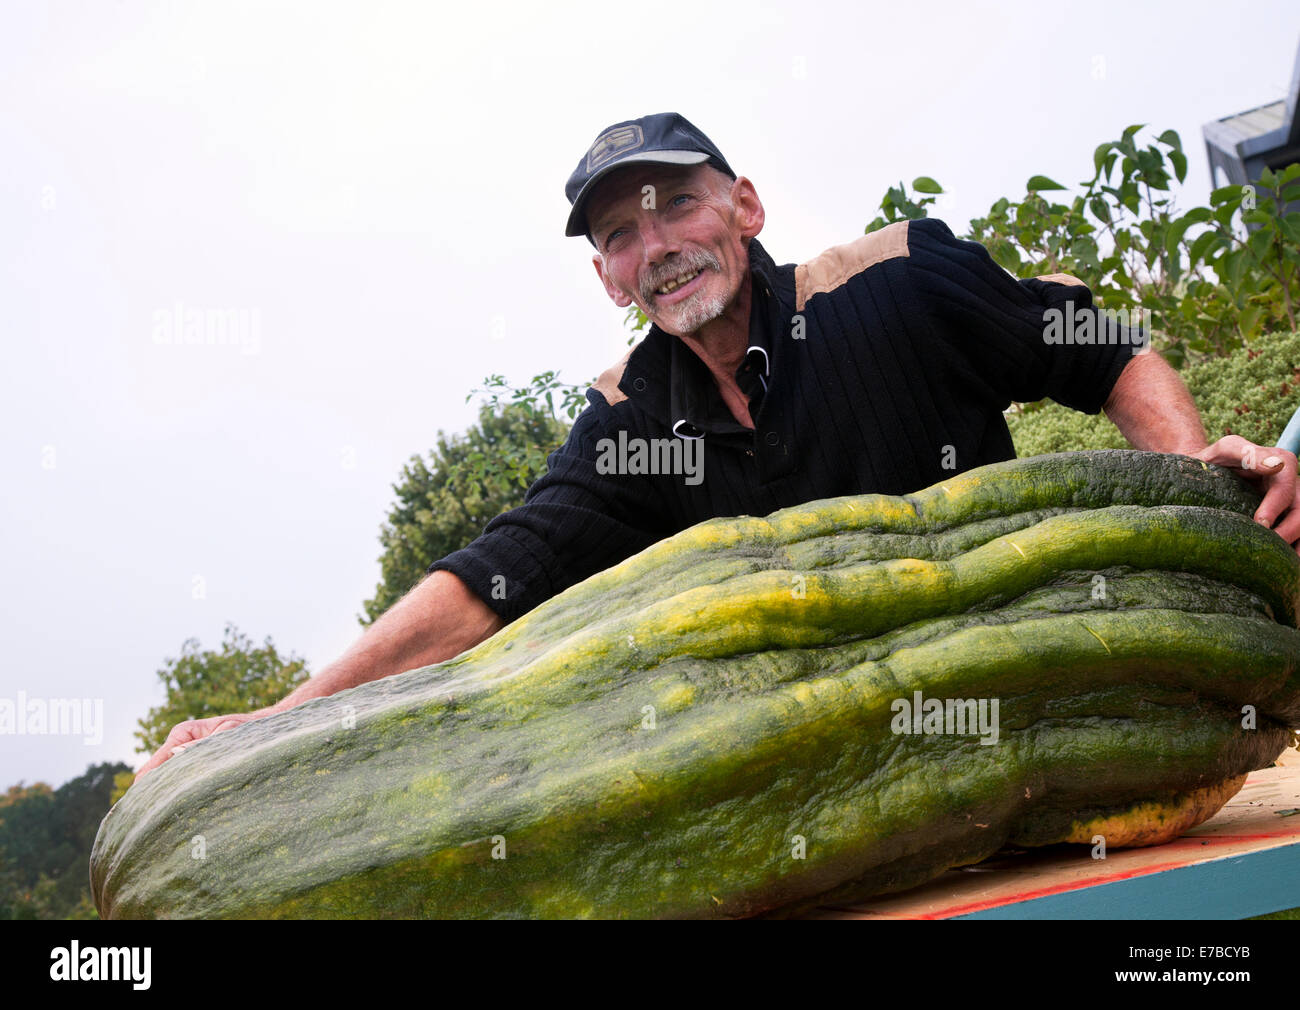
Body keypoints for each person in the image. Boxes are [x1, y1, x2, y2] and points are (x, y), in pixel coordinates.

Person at [136, 112, 1300, 780]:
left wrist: (1188, 490)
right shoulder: (628, 421)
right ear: (605, 277)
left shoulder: (897, 281)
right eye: (620, 233)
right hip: (841, 790)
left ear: (743, 204)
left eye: (678, 205)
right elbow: (492, 576)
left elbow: (1100, 348)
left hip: (1045, 722)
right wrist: (283, 714)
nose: (658, 246)